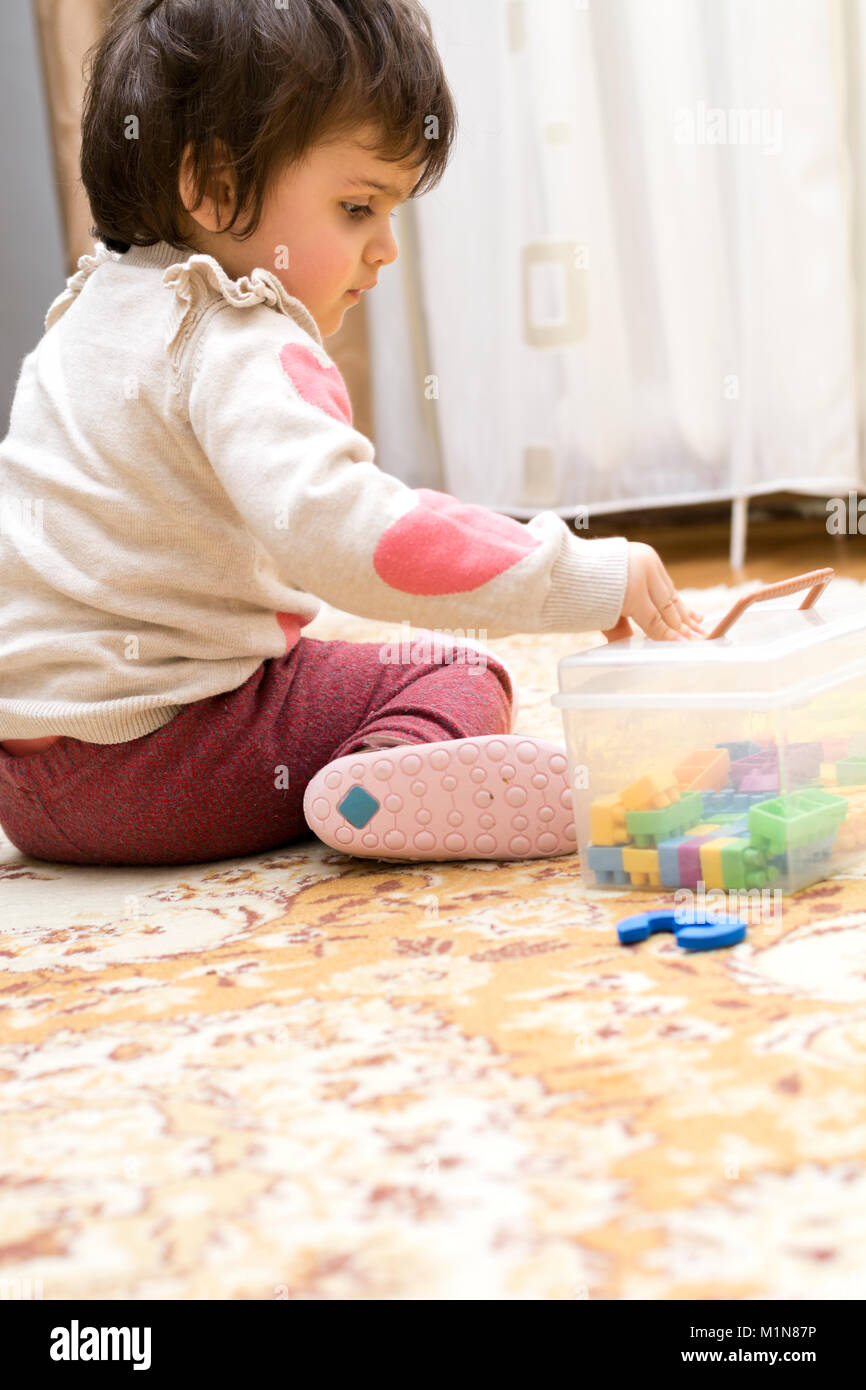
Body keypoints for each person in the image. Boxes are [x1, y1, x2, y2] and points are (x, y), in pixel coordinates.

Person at [0, 0, 703, 867]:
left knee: (308, 663)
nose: (386, 250)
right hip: (160, 776)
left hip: (29, 790)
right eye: (357, 206)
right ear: (216, 188)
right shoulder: (235, 333)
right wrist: (582, 575)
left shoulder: (79, 318)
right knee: (452, 673)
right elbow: (356, 538)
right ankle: (379, 783)